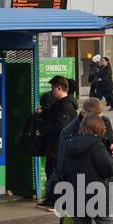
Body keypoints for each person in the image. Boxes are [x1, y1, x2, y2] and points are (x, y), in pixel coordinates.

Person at [35, 76, 78, 207]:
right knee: (53, 172)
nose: (51, 91)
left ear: (59, 88)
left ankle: (56, 201)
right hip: (57, 146)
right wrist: (45, 113)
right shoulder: (63, 104)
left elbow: (60, 126)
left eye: (53, 88)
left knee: (54, 173)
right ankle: (52, 199)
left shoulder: (64, 105)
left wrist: (42, 130)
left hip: (58, 147)